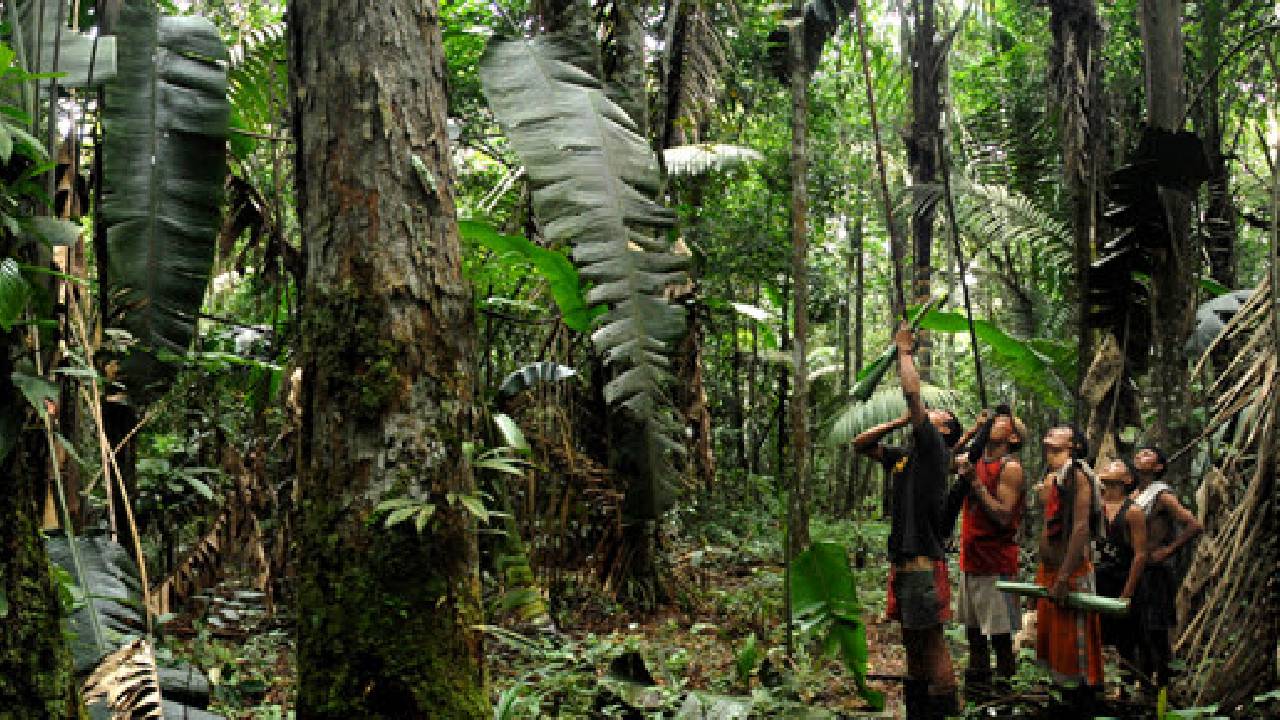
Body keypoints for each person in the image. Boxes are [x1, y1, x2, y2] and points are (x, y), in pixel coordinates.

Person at [852, 322, 961, 719]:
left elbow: (912, 393)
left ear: (944, 430)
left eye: (937, 414)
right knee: (912, 642)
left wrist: (904, 352)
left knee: (930, 641)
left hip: (921, 562)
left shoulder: (934, 451)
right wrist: (897, 423)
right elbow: (860, 444)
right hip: (905, 562)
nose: (928, 412)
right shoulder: (905, 456)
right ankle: (919, 709)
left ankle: (945, 707)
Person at [952, 406, 1027, 699]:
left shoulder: (1010, 467)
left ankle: (1007, 696)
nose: (994, 424)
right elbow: (945, 460)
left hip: (997, 564)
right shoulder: (975, 458)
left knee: (1000, 637)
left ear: (1013, 437)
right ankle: (979, 694)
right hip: (971, 561)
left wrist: (974, 483)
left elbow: (1004, 516)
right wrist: (972, 431)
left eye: (1001, 422)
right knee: (973, 633)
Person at [1034, 425, 1104, 713]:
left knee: (1074, 647)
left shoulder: (1077, 475)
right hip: (1050, 571)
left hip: (1069, 574)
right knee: (1055, 645)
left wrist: (1064, 575)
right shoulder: (1057, 476)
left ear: (1074, 445)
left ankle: (1080, 704)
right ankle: (1061, 700)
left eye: (1058, 434)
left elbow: (1080, 528)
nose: (1049, 435)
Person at [1130, 446, 1203, 689]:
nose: (1141, 455)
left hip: (1155, 572)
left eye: (1148, 454)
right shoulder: (1134, 495)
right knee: (1138, 630)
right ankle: (1141, 684)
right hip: (1136, 570)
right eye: (1139, 452)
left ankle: (1162, 688)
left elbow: (1193, 524)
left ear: (1159, 466)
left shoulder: (1161, 495)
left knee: (1156, 630)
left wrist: (1168, 550)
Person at [1094, 458, 1148, 692]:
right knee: (1096, 636)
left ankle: (1126, 690)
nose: (1106, 468)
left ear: (1127, 479)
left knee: (1126, 640)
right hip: (1097, 581)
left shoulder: (1132, 512)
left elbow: (1140, 554)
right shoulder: (1094, 508)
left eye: (1114, 466)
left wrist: (1127, 593)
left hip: (1121, 581)